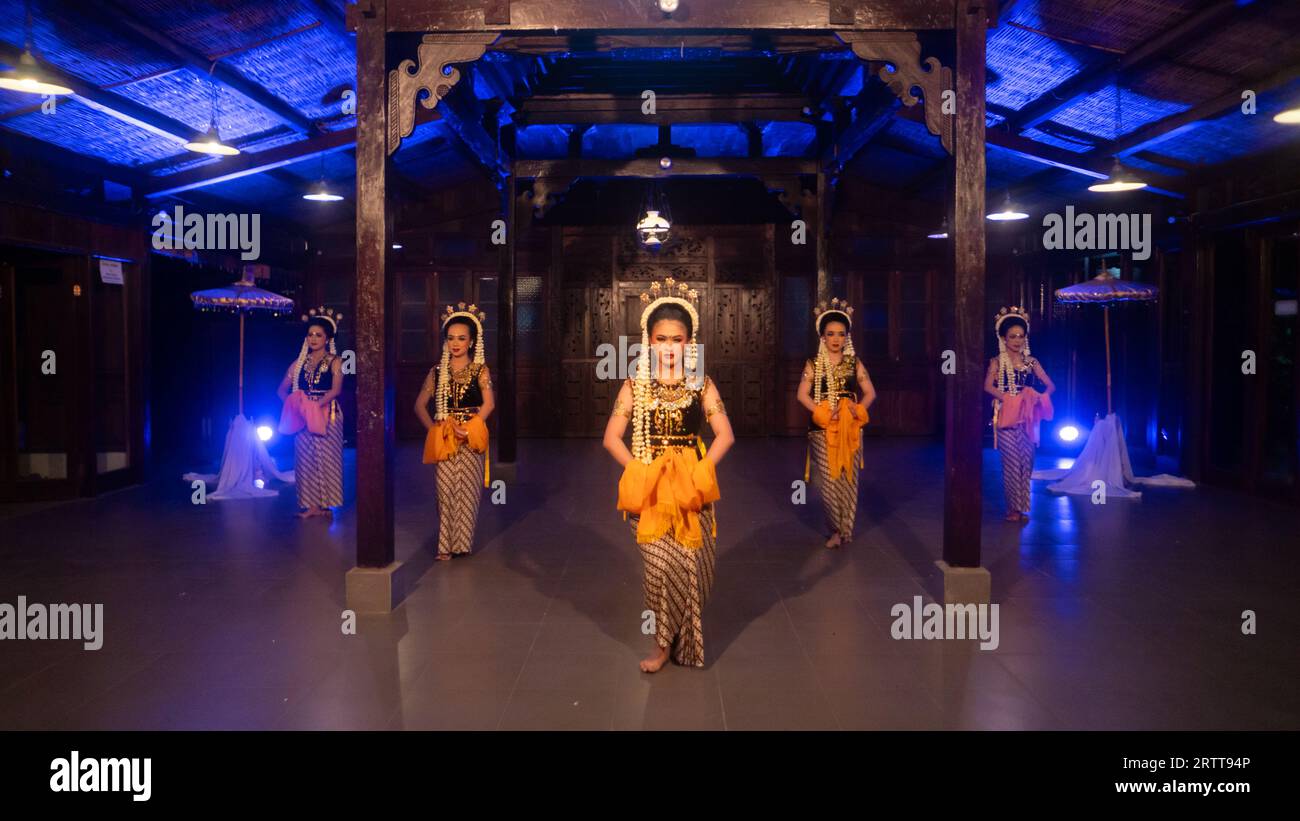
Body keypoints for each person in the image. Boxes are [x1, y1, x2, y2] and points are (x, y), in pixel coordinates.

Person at [603, 278, 734, 672]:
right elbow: (611, 437)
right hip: (649, 489)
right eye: (661, 339)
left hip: (692, 486)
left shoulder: (701, 384)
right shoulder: (634, 385)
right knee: (659, 566)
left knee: (693, 566)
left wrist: (701, 470)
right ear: (648, 341)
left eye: (677, 340)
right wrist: (641, 470)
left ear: (690, 342)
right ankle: (661, 646)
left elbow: (725, 434)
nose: (669, 348)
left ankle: (686, 644)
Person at [414, 303, 495, 559]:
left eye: (461, 338)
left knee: (468, 492)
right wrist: (436, 431)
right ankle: (445, 546)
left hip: (471, 437)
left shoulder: (481, 371)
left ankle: (461, 544)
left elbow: (489, 404)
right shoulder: (437, 373)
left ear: (472, 342)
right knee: (444, 491)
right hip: (446, 438)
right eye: (451, 338)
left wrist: (470, 427)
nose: (456, 343)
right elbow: (419, 406)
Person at [796, 298, 876, 548]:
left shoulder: (854, 363)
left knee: (848, 480)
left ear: (847, 337)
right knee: (829, 483)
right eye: (830, 334)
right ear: (822, 336)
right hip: (822, 429)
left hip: (849, 428)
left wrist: (857, 407)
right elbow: (801, 395)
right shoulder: (814, 364)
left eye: (841, 334)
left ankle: (846, 530)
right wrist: (820, 410)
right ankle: (834, 529)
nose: (836, 339)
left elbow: (871, 392)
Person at [983, 306, 1055, 522]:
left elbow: (1050, 386)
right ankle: (1012, 509)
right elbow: (987, 386)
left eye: (1021, 336)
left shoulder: (1031, 362)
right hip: (1006, 417)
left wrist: (1036, 396)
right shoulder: (997, 362)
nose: (1017, 340)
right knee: (1012, 463)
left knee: (1027, 461)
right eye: (1012, 336)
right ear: (1003, 338)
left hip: (1028, 418)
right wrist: (1007, 398)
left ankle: (1022, 507)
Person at [277, 307, 345, 518]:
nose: (313, 338)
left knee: (328, 458)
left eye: (318, 335)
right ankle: (311, 505)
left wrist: (315, 406)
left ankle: (326, 505)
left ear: (327, 338)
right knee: (305, 459)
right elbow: (281, 390)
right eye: (310, 334)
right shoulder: (298, 364)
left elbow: (336, 390)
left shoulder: (336, 361)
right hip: (303, 417)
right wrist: (295, 406)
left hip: (329, 414)